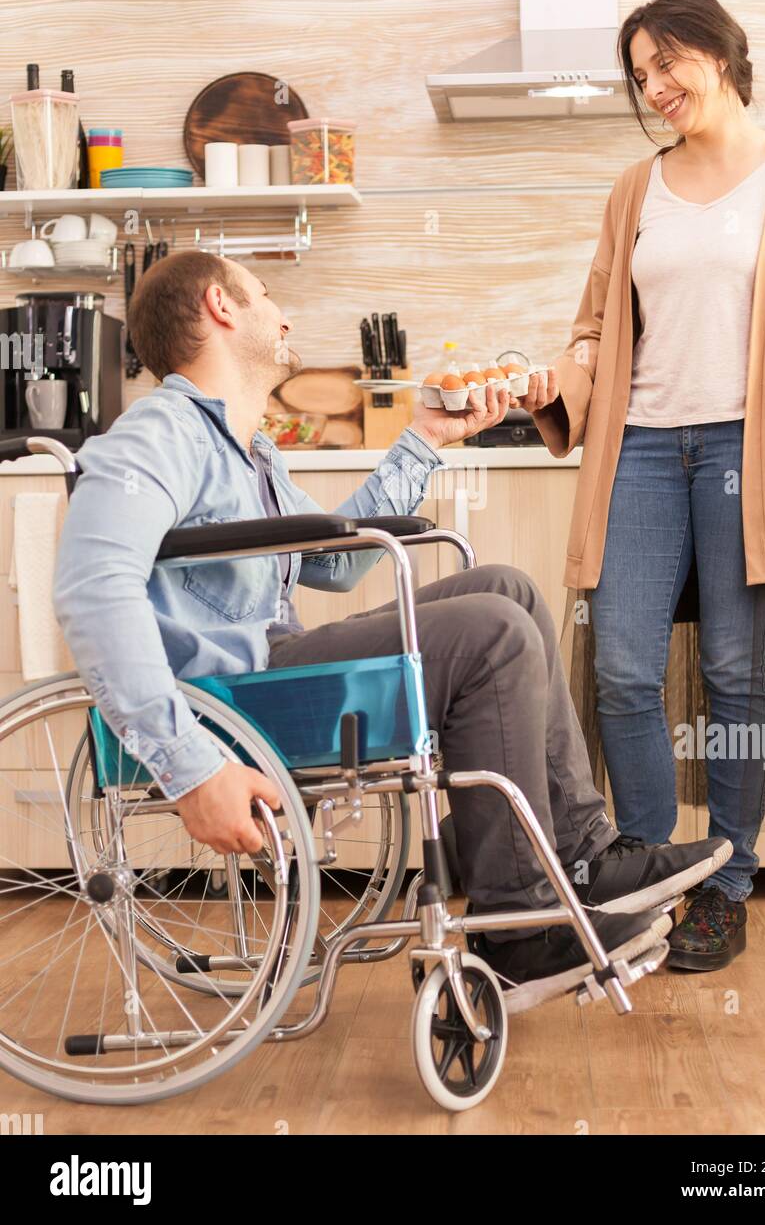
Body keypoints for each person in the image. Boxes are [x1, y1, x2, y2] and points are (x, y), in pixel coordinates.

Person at [54, 249, 731, 1010]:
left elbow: (336, 566)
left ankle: (579, 855)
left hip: (269, 671)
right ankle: (513, 931)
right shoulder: (161, 434)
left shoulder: (250, 450)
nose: (284, 314)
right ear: (220, 306)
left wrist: (427, 439)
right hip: (231, 705)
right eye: (267, 294)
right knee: (492, 633)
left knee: (508, 590)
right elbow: (91, 586)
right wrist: (190, 769)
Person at [527, 0, 765, 970]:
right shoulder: (633, 191)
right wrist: (558, 376)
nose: (654, 87)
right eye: (639, 75)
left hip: (746, 452)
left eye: (664, 63)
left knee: (730, 672)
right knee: (621, 669)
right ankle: (645, 875)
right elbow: (593, 328)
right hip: (637, 447)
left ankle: (725, 884)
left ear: (716, 52)